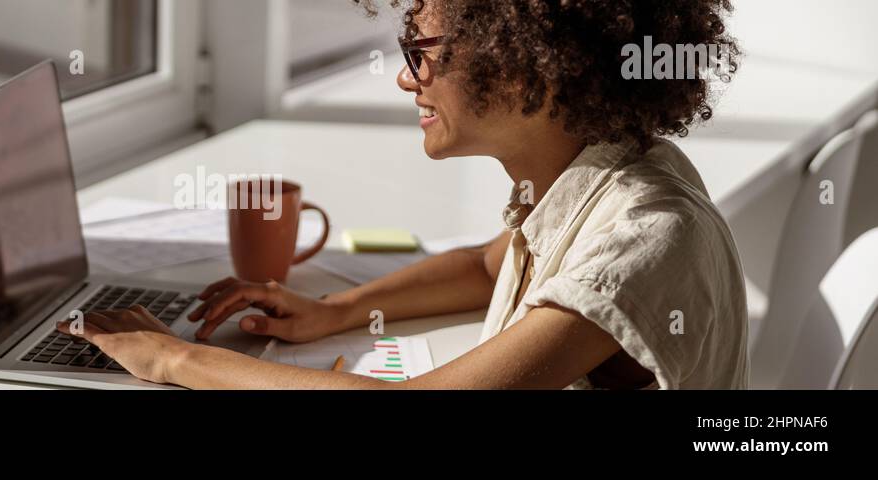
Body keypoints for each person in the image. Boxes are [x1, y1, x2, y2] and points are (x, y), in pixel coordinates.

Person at [58, 0, 748, 389]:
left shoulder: (649, 233)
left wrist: (177, 358)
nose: (404, 79)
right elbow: (486, 267)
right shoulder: (595, 179)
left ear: (524, 66)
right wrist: (334, 310)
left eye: (420, 50)